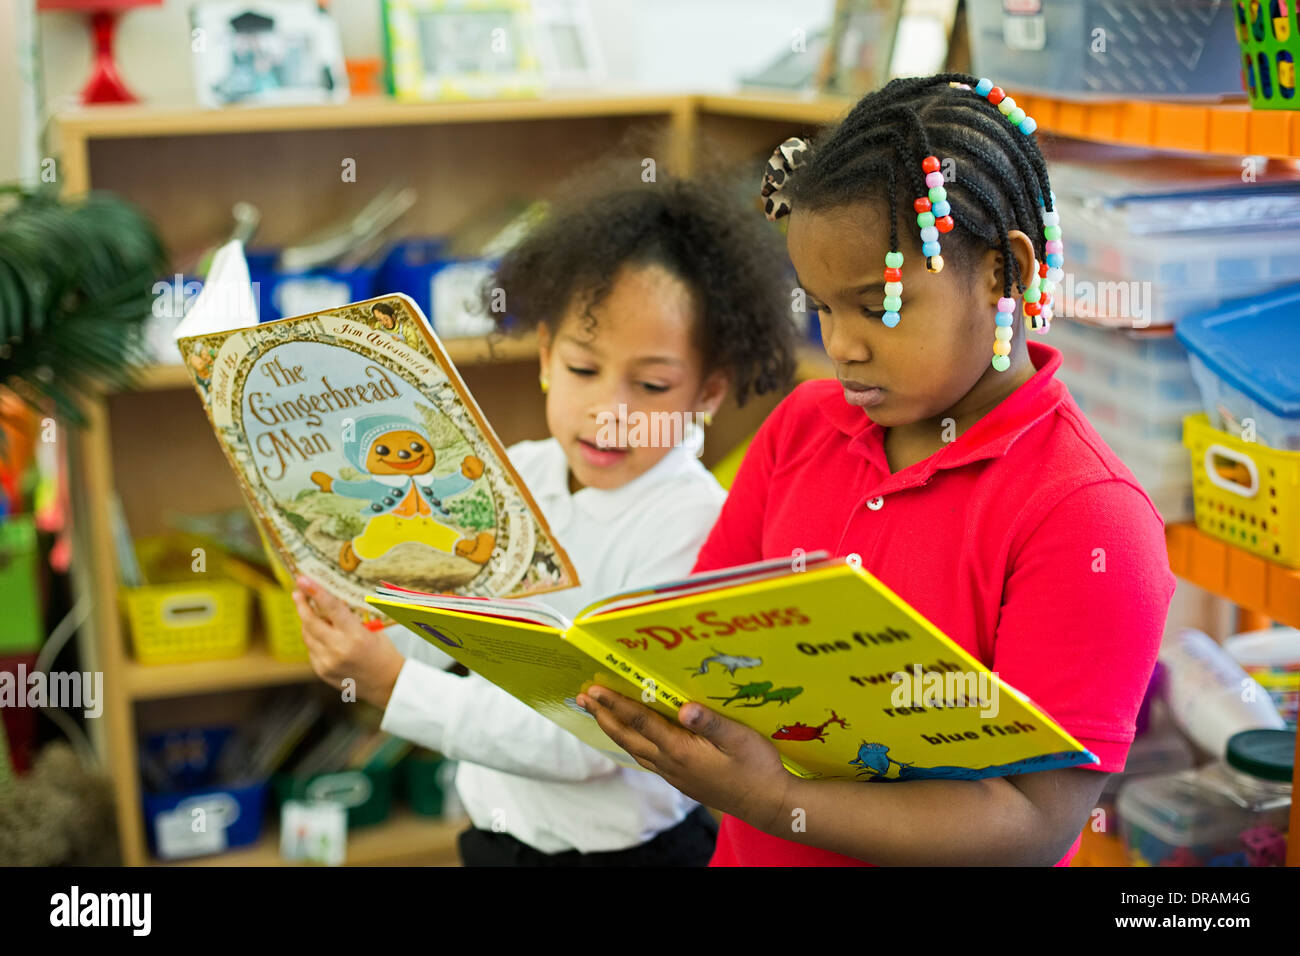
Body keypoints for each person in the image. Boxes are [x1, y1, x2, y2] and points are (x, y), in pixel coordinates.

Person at [577, 74, 1177, 867]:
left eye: (880, 305)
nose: (844, 346)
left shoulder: (1089, 517)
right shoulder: (803, 427)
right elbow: (698, 640)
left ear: (1006, 272)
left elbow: (1034, 825)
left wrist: (776, 801)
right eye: (823, 307)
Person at [292, 165, 799, 865]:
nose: (607, 410)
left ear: (709, 394)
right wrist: (362, 622)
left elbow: (594, 734)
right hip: (498, 840)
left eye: (651, 385)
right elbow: (442, 634)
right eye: (584, 370)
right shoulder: (514, 474)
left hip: (629, 855)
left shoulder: (694, 526)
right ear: (544, 357)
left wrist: (391, 684)